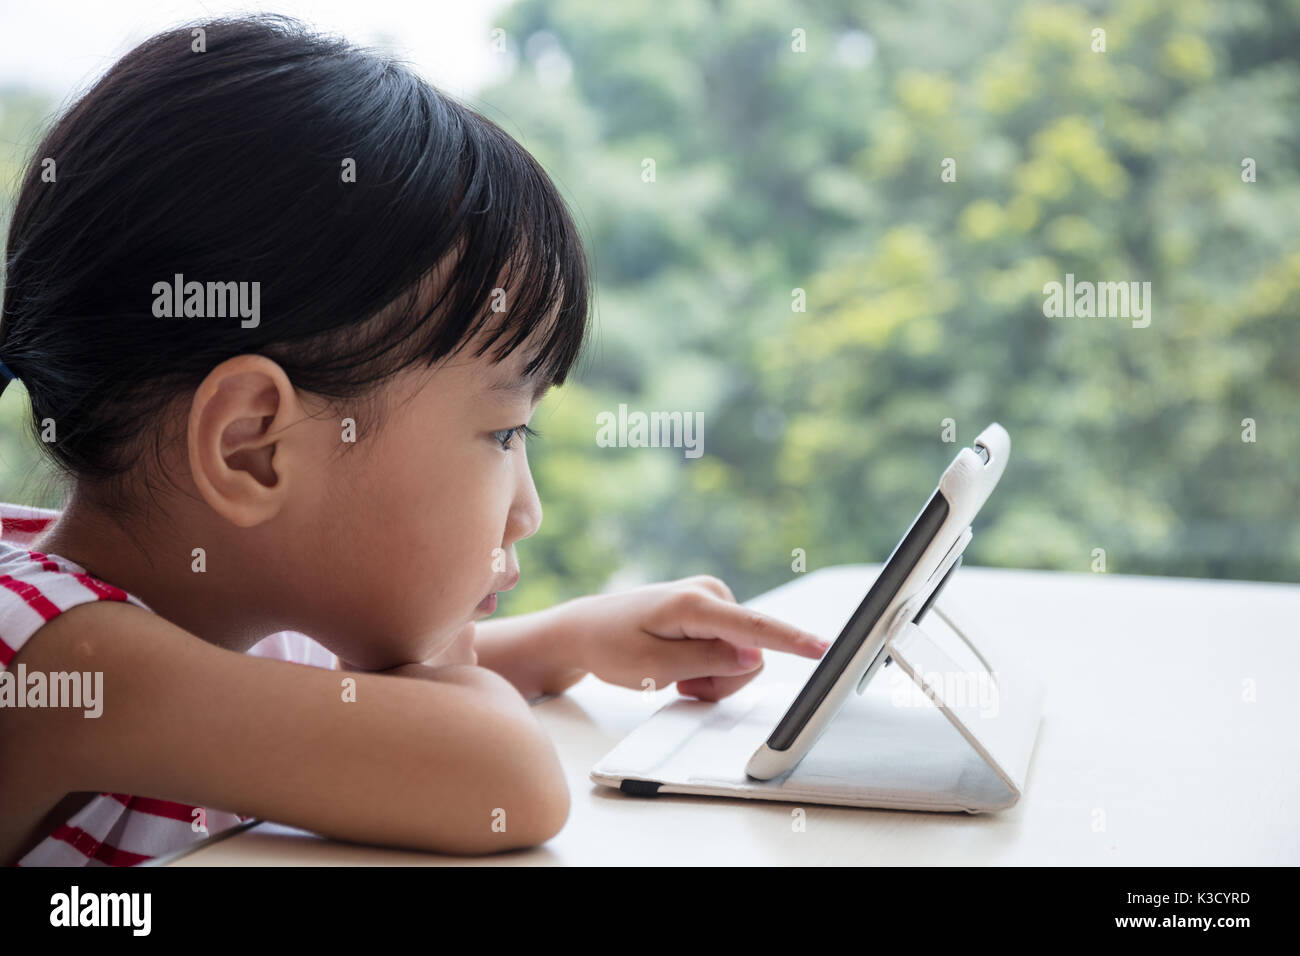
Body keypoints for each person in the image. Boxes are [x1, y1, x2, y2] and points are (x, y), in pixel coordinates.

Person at [0, 14, 827, 866]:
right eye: (503, 432)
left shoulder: (214, 610)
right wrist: (467, 673)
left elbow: (313, 694)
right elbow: (503, 777)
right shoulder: (65, 665)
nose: (529, 512)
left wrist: (566, 639)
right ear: (253, 448)